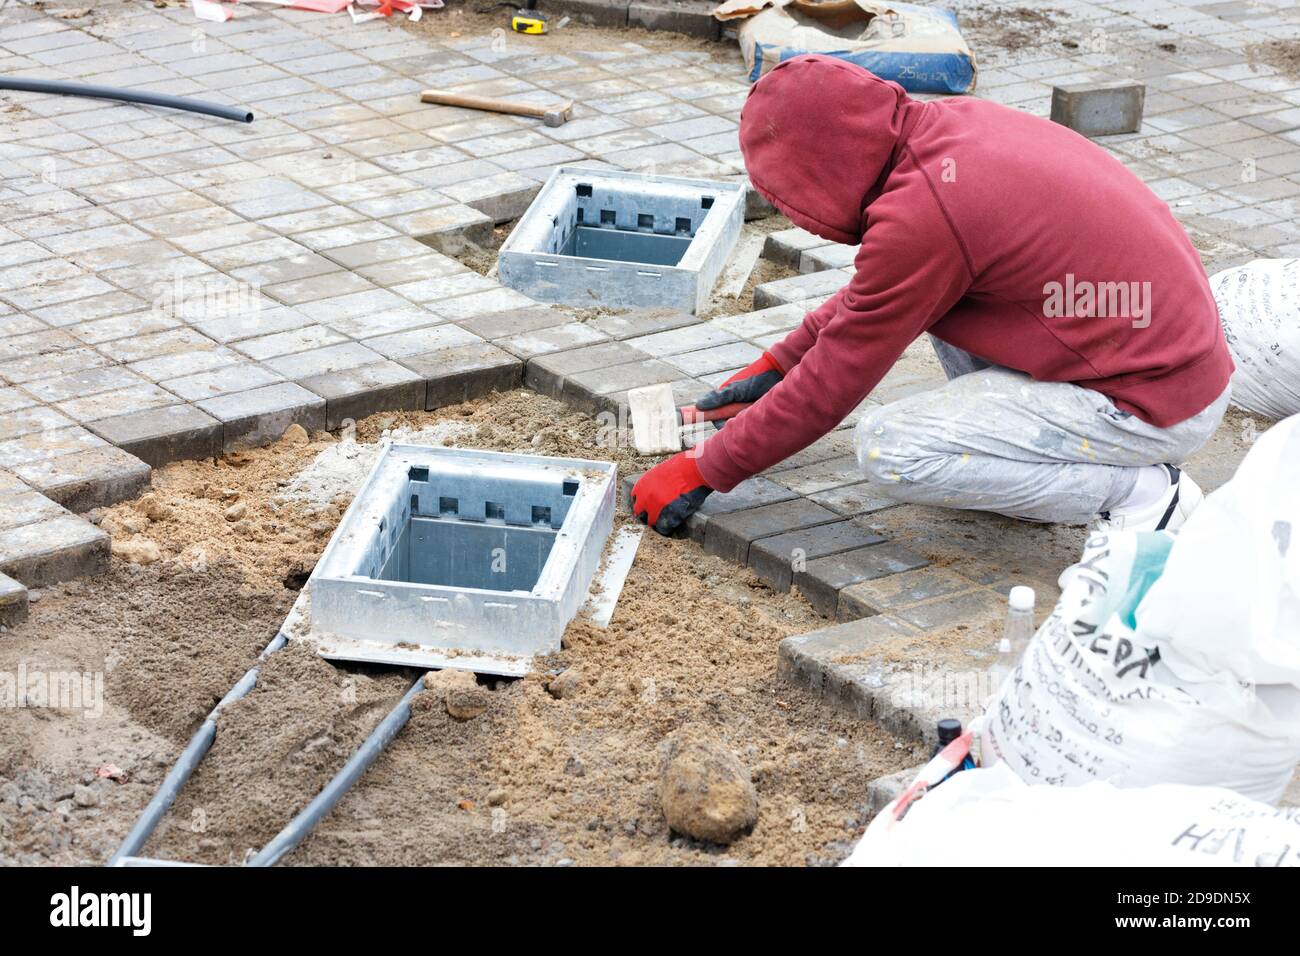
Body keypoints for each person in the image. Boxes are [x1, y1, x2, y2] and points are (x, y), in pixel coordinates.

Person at [631, 54, 1232, 536]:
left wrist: (704, 469)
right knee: (940, 308)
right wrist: (776, 366)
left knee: (891, 451)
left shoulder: (924, 217)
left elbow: (833, 383)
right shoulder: (946, 131)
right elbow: (879, 298)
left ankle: (1143, 493)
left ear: (819, 173)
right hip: (1160, 360)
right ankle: (1037, 468)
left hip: (1149, 405)